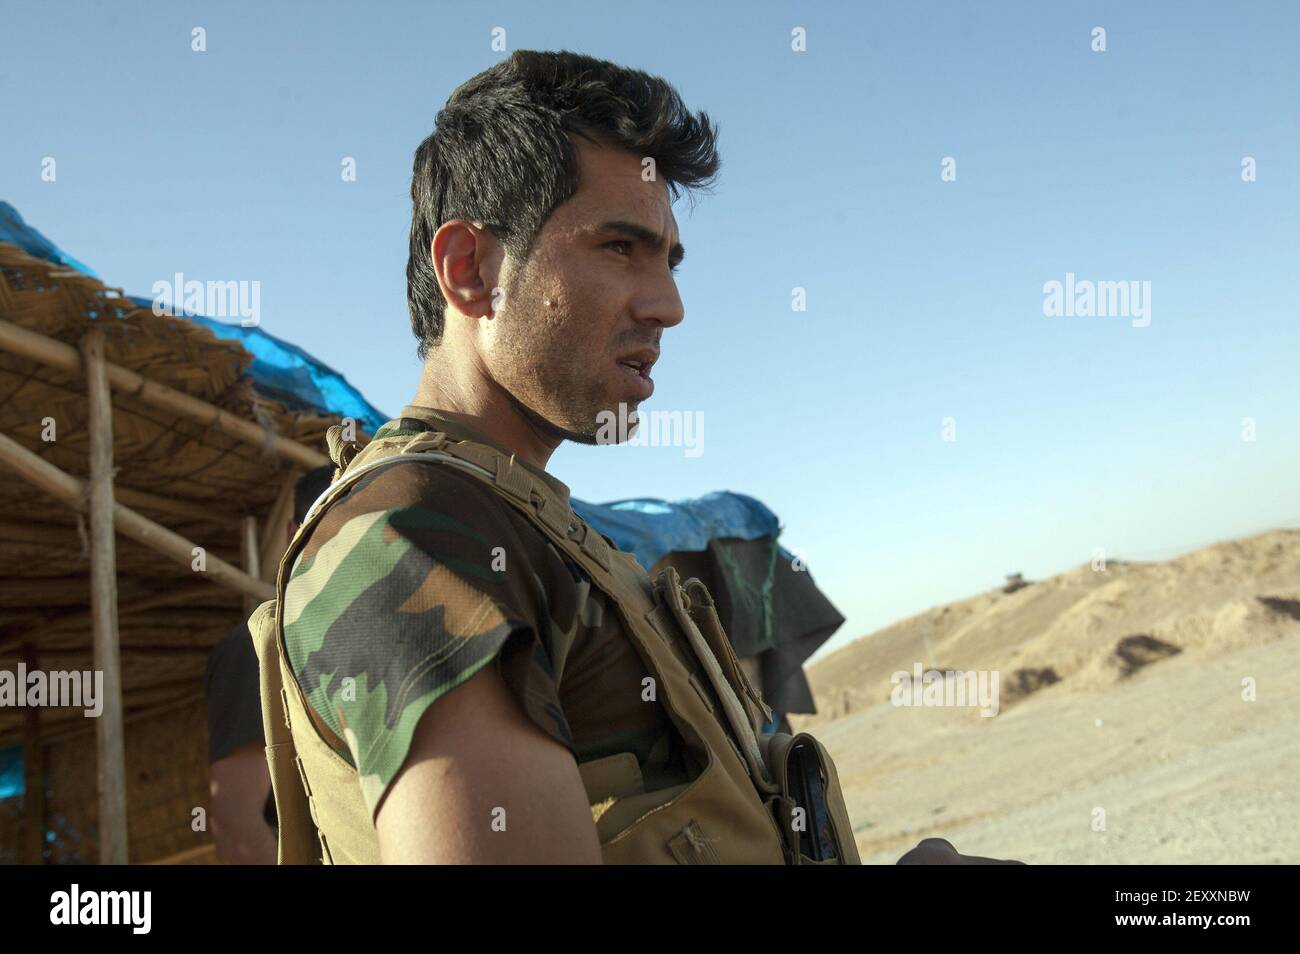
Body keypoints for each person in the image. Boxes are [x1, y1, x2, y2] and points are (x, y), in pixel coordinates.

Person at [270, 50, 1018, 864]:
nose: (668, 306)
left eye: (667, 258)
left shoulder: (523, 520)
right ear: (471, 270)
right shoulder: (414, 534)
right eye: (620, 248)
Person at [204, 465, 334, 864]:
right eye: (329, 524)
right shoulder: (258, 648)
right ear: (293, 534)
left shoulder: (373, 638)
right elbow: (237, 825)